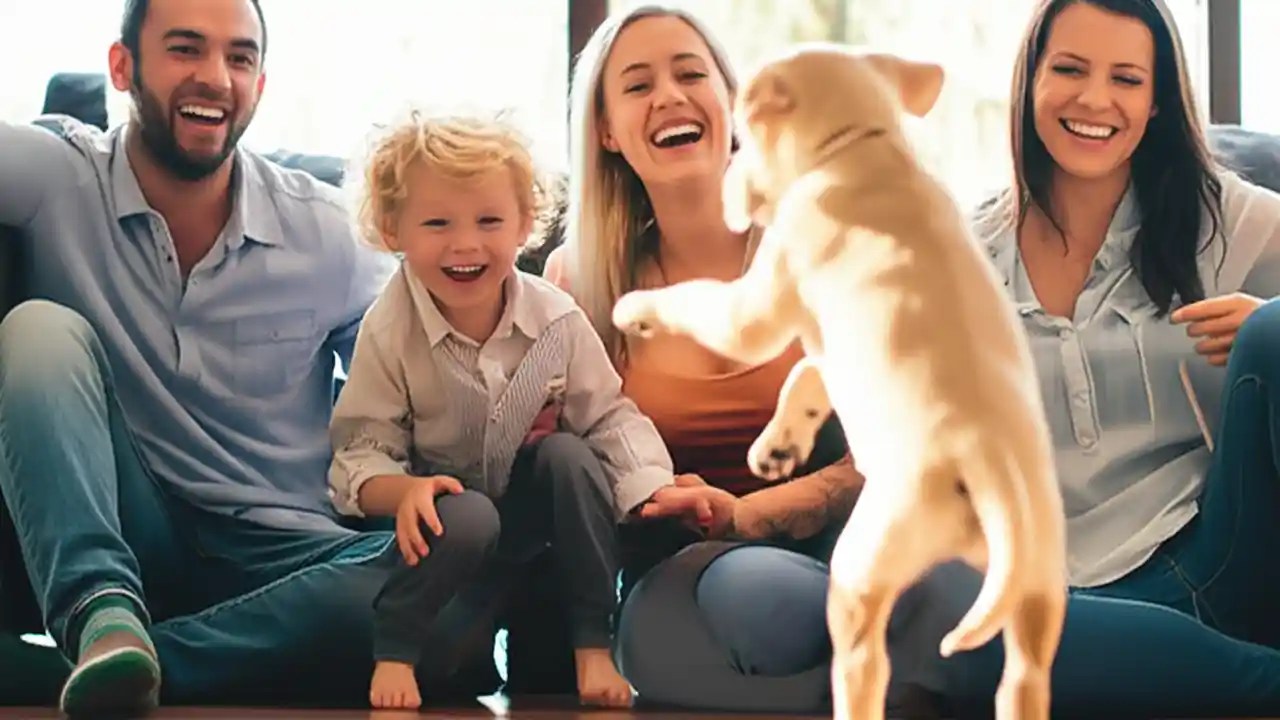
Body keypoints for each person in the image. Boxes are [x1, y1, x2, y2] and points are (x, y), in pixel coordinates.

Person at [546, 3, 1280, 718]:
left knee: (905, 606)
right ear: (605, 129)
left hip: (1155, 550)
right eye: (639, 85)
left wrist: (753, 511)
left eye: (690, 73)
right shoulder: (577, 281)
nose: (669, 98)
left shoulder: (840, 237)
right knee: (860, 609)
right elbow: (574, 438)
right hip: (755, 569)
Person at [0, 0, 515, 713]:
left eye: (239, 58)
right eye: (185, 50)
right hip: (132, 527)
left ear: (260, 85)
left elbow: (425, 361)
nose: (215, 77)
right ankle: (103, 621)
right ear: (122, 67)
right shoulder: (58, 175)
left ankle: (110, 668)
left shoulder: (325, 233)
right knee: (36, 332)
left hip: (286, 559)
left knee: (454, 539)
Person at [328, 111, 709, 709]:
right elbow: (362, 445)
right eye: (436, 223)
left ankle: (592, 641)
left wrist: (649, 487)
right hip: (445, 531)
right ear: (392, 228)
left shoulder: (554, 318)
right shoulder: (389, 327)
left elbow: (609, 416)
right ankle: (395, 650)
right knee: (470, 522)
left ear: (525, 225)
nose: (464, 243)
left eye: (488, 221)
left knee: (568, 454)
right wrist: (400, 492)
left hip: (539, 528)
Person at [974, 0, 1280, 647]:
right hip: (1052, 590)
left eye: (1126, 79)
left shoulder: (1233, 220)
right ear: (1030, 78)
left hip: (1216, 558)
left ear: (1157, 101)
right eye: (1070, 69)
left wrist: (1265, 322)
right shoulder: (963, 256)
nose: (1094, 99)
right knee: (966, 645)